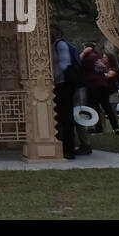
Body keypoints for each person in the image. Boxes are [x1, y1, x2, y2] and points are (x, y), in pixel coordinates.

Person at [49, 24, 77, 160]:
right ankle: (62, 145)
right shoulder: (54, 44)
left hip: (63, 84)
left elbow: (64, 63)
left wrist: (51, 77)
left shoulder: (60, 44)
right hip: (59, 84)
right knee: (59, 116)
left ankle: (69, 148)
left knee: (66, 117)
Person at [82, 43, 119, 135]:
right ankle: (116, 128)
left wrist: (83, 53)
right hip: (103, 85)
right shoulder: (99, 57)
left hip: (92, 85)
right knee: (107, 107)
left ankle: (98, 129)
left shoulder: (87, 59)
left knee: (95, 108)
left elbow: (78, 64)